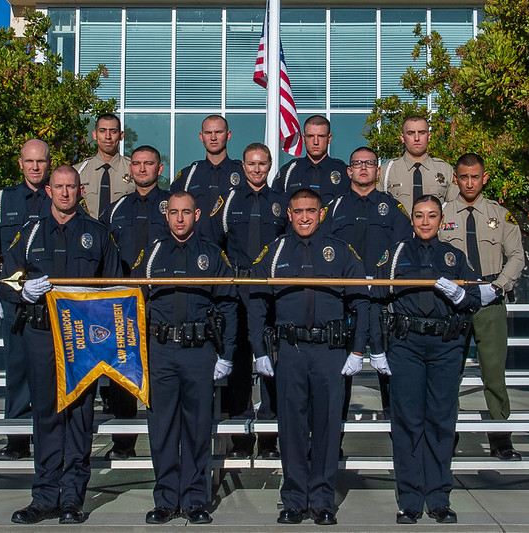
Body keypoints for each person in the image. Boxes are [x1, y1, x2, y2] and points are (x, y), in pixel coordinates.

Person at [1, 165, 121, 524]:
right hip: (41, 336)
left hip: (83, 339)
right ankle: (43, 497)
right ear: (49, 191)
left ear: (80, 191)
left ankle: (72, 499)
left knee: (79, 420)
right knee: (46, 418)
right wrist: (23, 291)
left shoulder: (98, 233)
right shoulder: (30, 231)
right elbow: (4, 278)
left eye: (71, 187)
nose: (65, 193)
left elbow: (115, 285)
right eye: (59, 187)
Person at [248, 188, 369, 526]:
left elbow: (361, 302)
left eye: (310, 211)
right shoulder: (274, 253)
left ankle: (322, 500)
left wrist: (358, 349)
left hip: (330, 353)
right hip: (291, 352)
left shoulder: (342, 253)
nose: (304, 217)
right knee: (292, 429)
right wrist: (259, 351)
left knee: (328, 428)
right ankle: (294, 499)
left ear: (321, 213)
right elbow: (257, 302)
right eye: (298, 211)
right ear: (289, 214)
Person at [369, 194, 480, 524]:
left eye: (432, 216)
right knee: (408, 423)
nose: (425, 221)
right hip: (407, 344)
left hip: (446, 346)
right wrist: (378, 347)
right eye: (419, 215)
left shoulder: (454, 256)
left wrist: (462, 296)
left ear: (440, 219)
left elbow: (473, 297)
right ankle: (410, 500)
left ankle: (439, 497)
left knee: (441, 422)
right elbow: (374, 294)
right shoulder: (396, 254)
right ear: (412, 219)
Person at [137, 191, 238, 525]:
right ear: (166, 216)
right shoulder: (151, 255)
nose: (179, 219)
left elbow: (228, 305)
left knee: (196, 429)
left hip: (199, 351)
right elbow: (132, 299)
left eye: (186, 213)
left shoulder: (213, 255)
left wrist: (225, 353)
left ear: (197, 215)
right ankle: (166, 499)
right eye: (174, 213)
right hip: (161, 350)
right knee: (162, 428)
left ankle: (195, 499)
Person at [439, 153, 525, 460]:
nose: (470, 182)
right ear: (455, 179)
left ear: (484, 178)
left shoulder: (500, 215)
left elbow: (517, 256)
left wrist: (498, 286)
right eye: (464, 177)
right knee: (450, 371)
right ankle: (448, 435)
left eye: (475, 177)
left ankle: (500, 436)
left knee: (493, 372)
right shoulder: (443, 214)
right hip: (454, 303)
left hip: (490, 299)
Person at [323, 146, 411, 429]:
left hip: (383, 302)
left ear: (377, 170)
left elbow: (402, 251)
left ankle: (401, 448)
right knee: (339, 380)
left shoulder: (393, 208)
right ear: (349, 170)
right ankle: (331, 446)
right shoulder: (334, 207)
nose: (363, 168)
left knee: (392, 381)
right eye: (357, 163)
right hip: (344, 303)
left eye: (369, 163)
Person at [210, 143, 288, 459]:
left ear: (270, 166)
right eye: (251, 164)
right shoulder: (227, 202)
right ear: (243, 166)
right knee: (240, 362)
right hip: (238, 287)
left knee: (271, 359)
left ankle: (269, 441)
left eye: (262, 164)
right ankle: (242, 440)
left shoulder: (281, 203)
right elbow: (214, 241)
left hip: (271, 289)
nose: (257, 170)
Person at [0, 138, 51, 461]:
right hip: (13, 303)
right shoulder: (2, 201)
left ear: (49, 163)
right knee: (17, 373)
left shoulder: (58, 196)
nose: (36, 167)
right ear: (20, 163)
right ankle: (17, 442)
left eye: (41, 162)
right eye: (30, 161)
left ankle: (48, 440)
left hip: (50, 302)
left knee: (49, 375)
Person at [99, 145, 171, 461]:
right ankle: (123, 443)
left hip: (162, 301)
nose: (142, 169)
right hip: (123, 303)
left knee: (160, 374)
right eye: (137, 164)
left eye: (149, 164)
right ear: (130, 170)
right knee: (122, 376)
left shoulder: (173, 206)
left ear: (160, 168)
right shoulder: (115, 210)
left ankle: (165, 442)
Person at [170, 115, 244, 242]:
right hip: (195, 249)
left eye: (218, 132)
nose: (213, 138)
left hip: (233, 249)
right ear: (201, 137)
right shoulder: (188, 175)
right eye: (208, 133)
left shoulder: (242, 172)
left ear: (228, 135)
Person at [376, 116, 458, 212]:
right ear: (402, 138)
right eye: (410, 133)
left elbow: (453, 208)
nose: (416, 138)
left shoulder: (445, 170)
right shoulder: (387, 171)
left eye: (422, 133)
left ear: (429, 136)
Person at [271, 115, 349, 204]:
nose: (316, 142)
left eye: (321, 136)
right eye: (310, 136)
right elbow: (276, 205)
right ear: (304, 138)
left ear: (329, 138)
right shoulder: (289, 172)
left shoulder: (343, 172)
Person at [75, 113, 134, 218]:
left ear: (121, 135)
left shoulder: (133, 170)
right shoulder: (78, 172)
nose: (108, 137)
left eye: (113, 132)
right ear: (94, 135)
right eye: (102, 131)